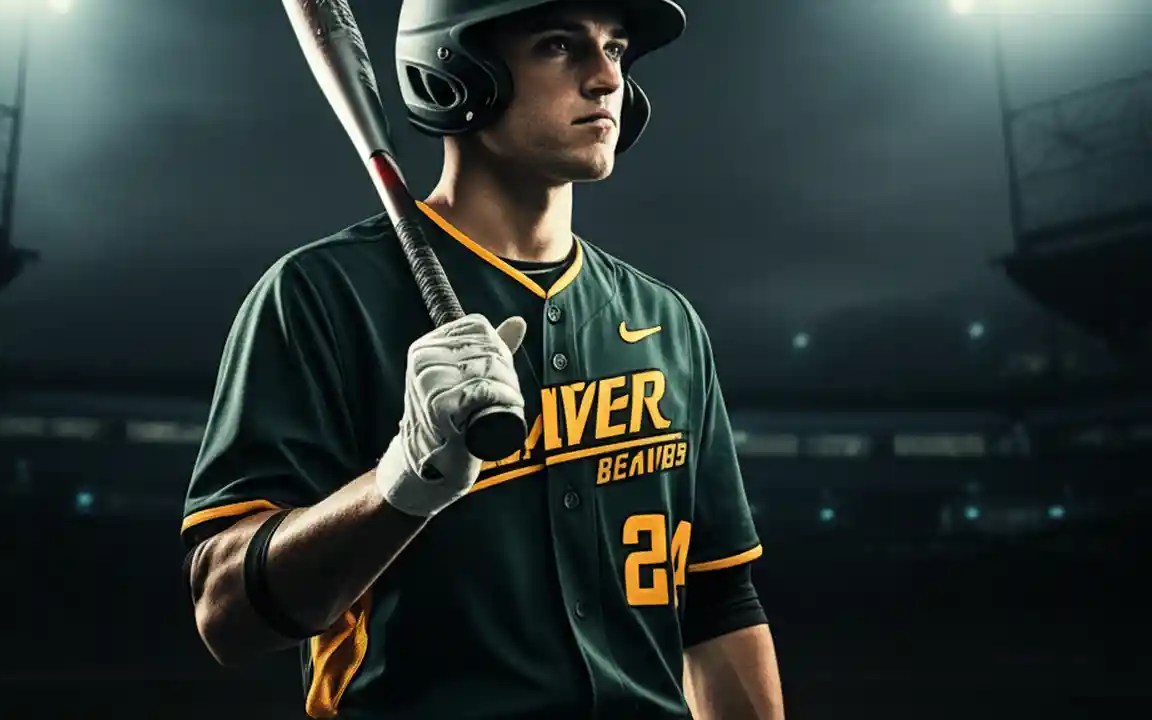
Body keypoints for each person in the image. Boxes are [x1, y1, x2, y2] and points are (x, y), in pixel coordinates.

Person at [180, 1, 784, 718]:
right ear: (458, 73)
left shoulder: (668, 323)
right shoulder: (322, 295)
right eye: (559, 45)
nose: (606, 79)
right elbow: (225, 614)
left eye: (615, 48)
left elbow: (718, 602)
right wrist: (401, 484)